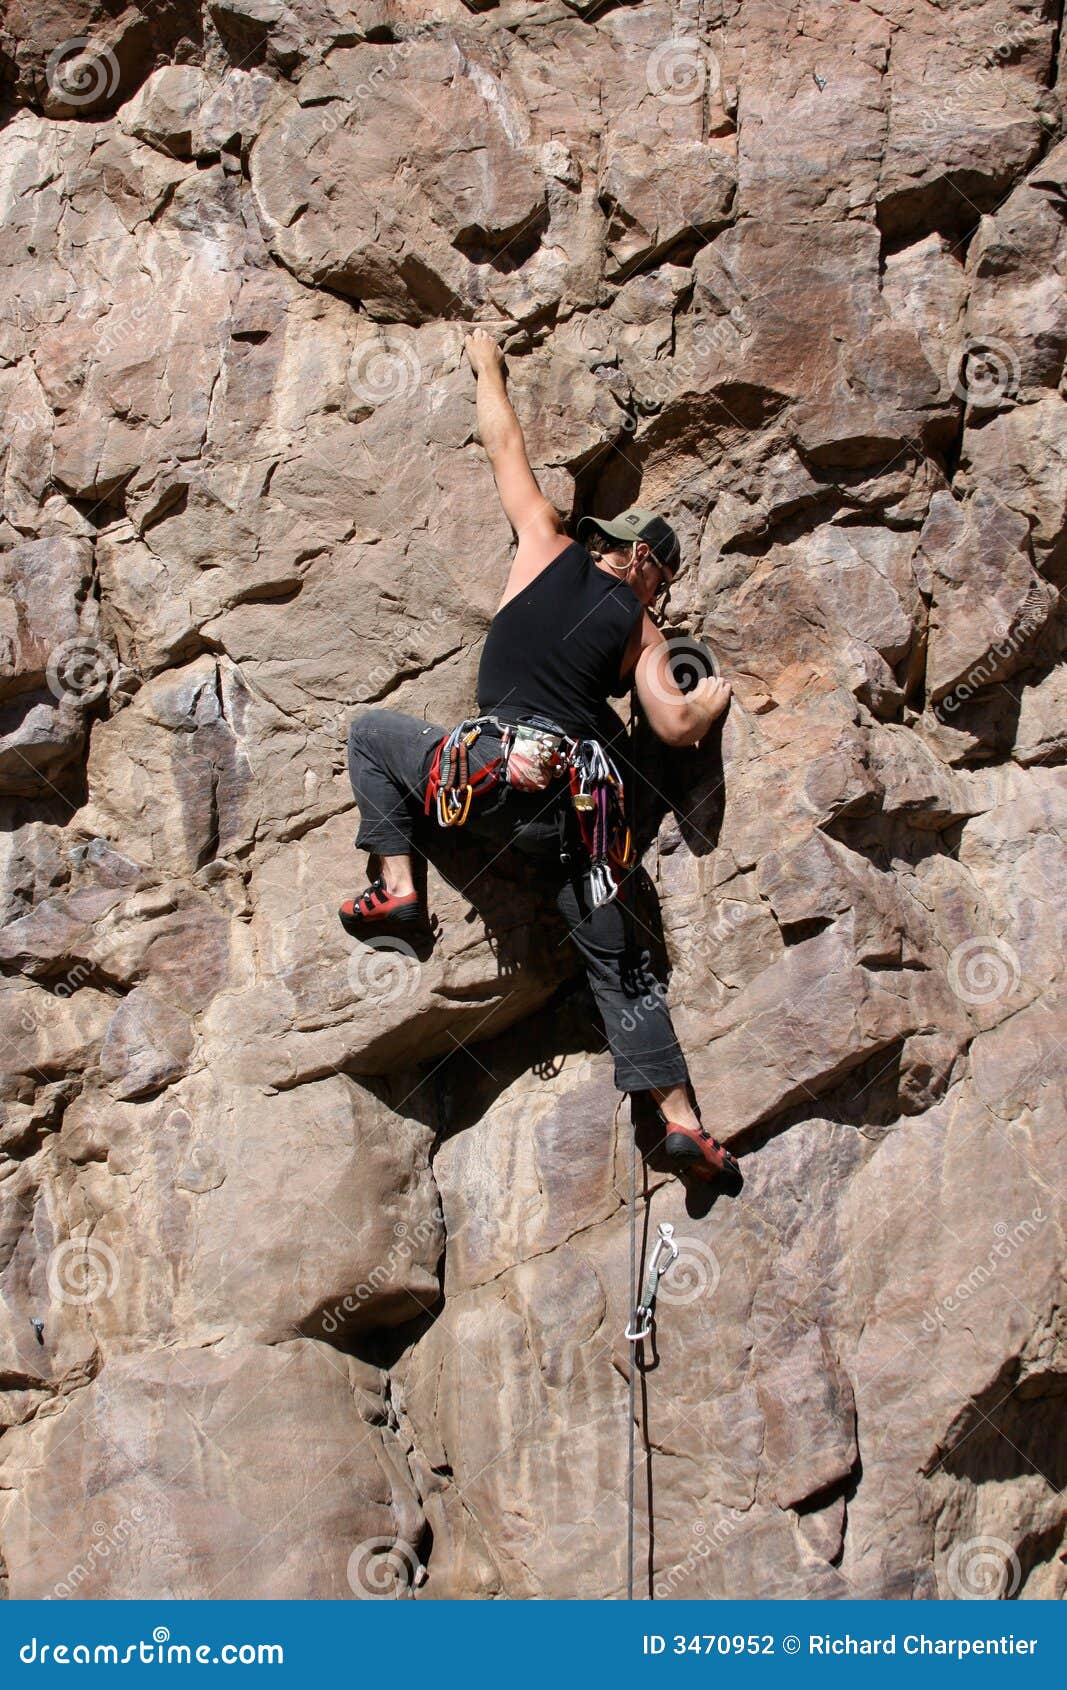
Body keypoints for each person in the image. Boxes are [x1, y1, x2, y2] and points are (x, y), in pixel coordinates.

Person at [342, 328, 737, 1182]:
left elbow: (503, 444)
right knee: (619, 965)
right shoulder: (642, 625)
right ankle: (680, 1125)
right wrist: (709, 698)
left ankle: (400, 896)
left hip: (486, 780)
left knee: (372, 735)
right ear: (644, 562)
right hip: (577, 826)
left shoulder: (540, 543)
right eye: (657, 576)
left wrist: (486, 363)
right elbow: (672, 729)